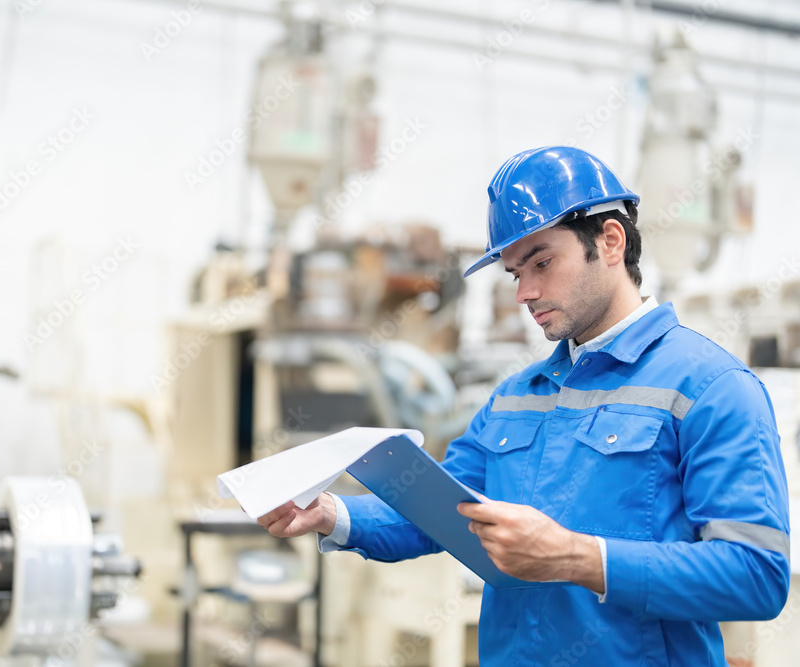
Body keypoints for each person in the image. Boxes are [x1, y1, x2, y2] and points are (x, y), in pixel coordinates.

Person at [255, 146, 791, 664]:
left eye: (541, 263)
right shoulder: (515, 398)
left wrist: (579, 559)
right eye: (515, 273)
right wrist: (329, 513)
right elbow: (443, 513)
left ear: (609, 241)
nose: (524, 293)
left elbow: (755, 575)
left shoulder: (712, 386)